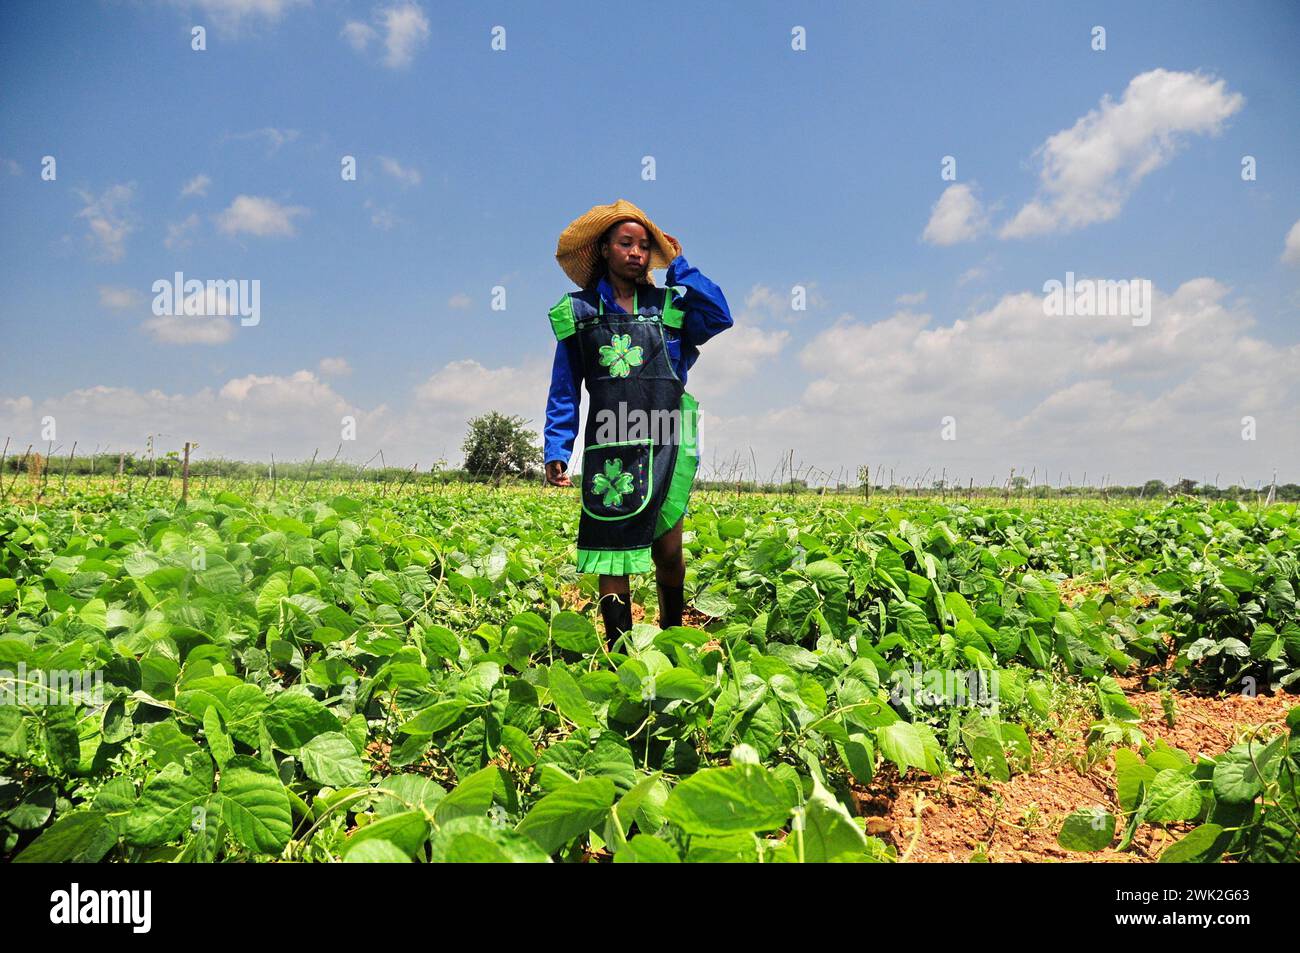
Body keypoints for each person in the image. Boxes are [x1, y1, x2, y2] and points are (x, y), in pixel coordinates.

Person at [543, 199, 732, 649]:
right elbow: (565, 388)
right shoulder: (579, 314)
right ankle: (619, 653)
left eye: (645, 246)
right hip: (608, 443)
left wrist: (680, 267)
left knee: (668, 548)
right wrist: (556, 447)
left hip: (664, 440)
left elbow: (720, 316)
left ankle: (673, 636)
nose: (636, 252)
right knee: (611, 557)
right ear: (603, 250)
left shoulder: (669, 308)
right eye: (625, 243)